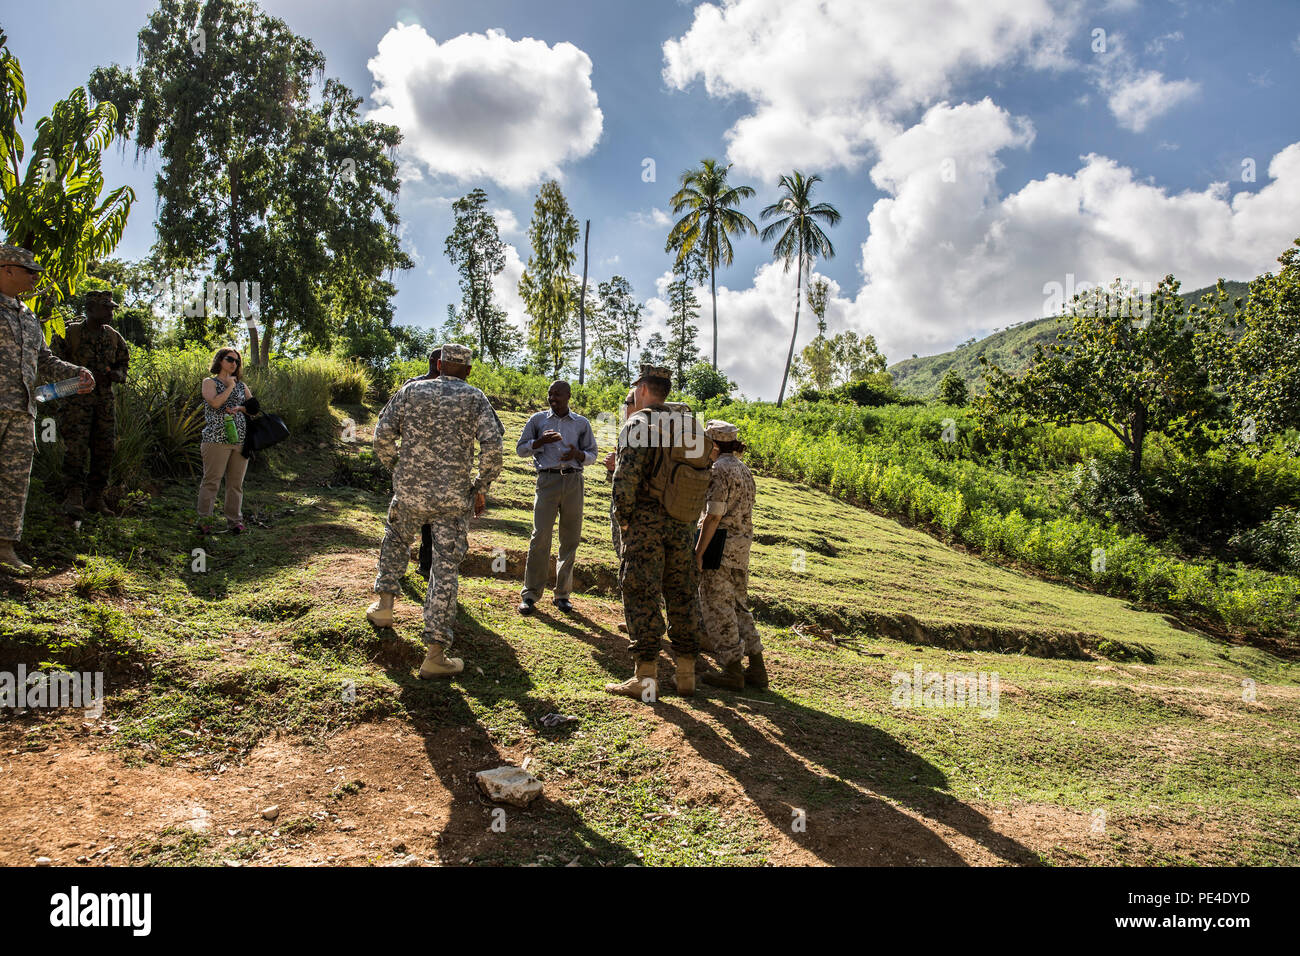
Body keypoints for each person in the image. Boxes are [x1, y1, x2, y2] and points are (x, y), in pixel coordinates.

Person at [367, 343, 503, 679]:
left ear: (440, 364)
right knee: (444, 568)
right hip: (452, 499)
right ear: (468, 370)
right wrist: (480, 486)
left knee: (396, 540)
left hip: (410, 492)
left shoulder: (412, 391)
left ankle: (384, 608)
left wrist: (397, 466)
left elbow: (381, 434)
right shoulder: (475, 398)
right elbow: (494, 446)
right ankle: (435, 654)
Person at [604, 365, 706, 699]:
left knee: (641, 592)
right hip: (684, 522)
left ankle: (645, 678)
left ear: (644, 389)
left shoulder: (638, 423)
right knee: (682, 593)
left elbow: (625, 479)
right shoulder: (690, 425)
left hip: (647, 523)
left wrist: (624, 521)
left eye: (635, 390)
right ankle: (687, 674)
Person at [0, 245, 95, 572]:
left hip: (22, 410)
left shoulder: (27, 316)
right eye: (28, 270)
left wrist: (74, 373)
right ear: (6, 269)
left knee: (14, 481)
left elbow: (43, 360)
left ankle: (5, 549)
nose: (34, 277)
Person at [515, 380, 597, 614]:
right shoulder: (537, 420)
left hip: (573, 481)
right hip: (547, 480)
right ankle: (530, 594)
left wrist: (578, 454)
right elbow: (520, 450)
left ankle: (562, 594)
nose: (552, 398)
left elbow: (592, 454)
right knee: (540, 536)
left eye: (557, 394)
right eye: (550, 394)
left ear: (569, 396)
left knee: (570, 539)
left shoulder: (582, 423)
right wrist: (540, 442)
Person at [695, 420, 765, 690]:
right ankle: (757, 668)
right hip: (741, 547)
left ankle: (732, 670)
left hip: (719, 545)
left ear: (712, 444)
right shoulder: (744, 469)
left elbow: (713, 515)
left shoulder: (718, 470)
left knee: (717, 607)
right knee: (739, 606)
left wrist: (700, 552)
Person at [52, 290, 130, 515]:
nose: (111, 312)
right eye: (106, 308)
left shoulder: (113, 336)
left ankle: (96, 497)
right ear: (90, 309)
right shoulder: (70, 332)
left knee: (104, 448)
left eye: (112, 308)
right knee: (75, 448)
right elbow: (52, 361)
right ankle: (73, 495)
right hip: (75, 401)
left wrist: (117, 375)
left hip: (104, 401)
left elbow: (123, 363)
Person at [198, 347, 254, 534]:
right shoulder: (210, 382)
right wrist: (229, 386)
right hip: (216, 439)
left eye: (237, 361)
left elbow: (253, 407)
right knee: (212, 481)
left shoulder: (242, 385)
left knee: (235, 484)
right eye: (230, 359)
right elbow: (214, 403)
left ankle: (234, 521)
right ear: (220, 360)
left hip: (240, 440)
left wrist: (240, 408)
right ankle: (205, 521)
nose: (234, 364)